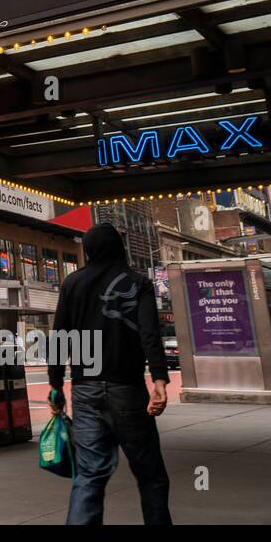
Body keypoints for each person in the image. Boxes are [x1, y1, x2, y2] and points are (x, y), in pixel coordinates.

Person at [48, 223, 171, 525]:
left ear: (87, 250)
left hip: (85, 389)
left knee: (89, 475)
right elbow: (149, 334)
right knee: (150, 474)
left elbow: (59, 336)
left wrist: (55, 387)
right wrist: (159, 380)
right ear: (120, 247)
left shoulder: (72, 283)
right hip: (126, 387)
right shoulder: (137, 282)